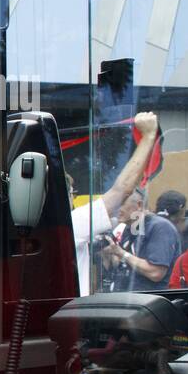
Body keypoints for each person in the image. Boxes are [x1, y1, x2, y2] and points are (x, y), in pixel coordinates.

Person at [70, 111, 158, 296]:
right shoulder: (72, 223)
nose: (74, 196)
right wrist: (149, 136)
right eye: (71, 192)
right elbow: (122, 190)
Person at [103, 189, 180, 291]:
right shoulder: (131, 227)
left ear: (139, 205)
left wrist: (121, 253)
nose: (117, 208)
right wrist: (108, 253)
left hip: (151, 302)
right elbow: (126, 265)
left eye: (121, 203)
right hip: (127, 301)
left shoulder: (160, 227)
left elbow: (155, 273)